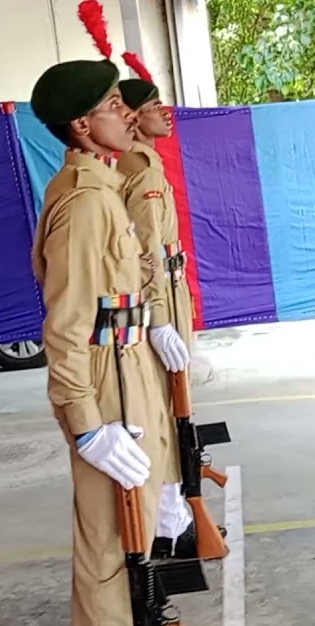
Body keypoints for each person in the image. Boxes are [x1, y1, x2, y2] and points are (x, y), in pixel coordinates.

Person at [29, 56, 177, 625]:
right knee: (107, 539)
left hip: (125, 364)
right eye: (114, 106)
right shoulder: (85, 202)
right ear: (83, 126)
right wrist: (84, 418)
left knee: (131, 527)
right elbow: (66, 322)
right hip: (103, 377)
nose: (129, 115)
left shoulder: (101, 186)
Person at [115, 65, 203, 561]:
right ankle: (170, 519)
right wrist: (159, 317)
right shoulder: (142, 170)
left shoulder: (139, 163)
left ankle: (172, 512)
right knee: (167, 410)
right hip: (158, 297)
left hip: (164, 290)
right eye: (153, 108)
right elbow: (146, 247)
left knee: (171, 409)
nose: (164, 114)